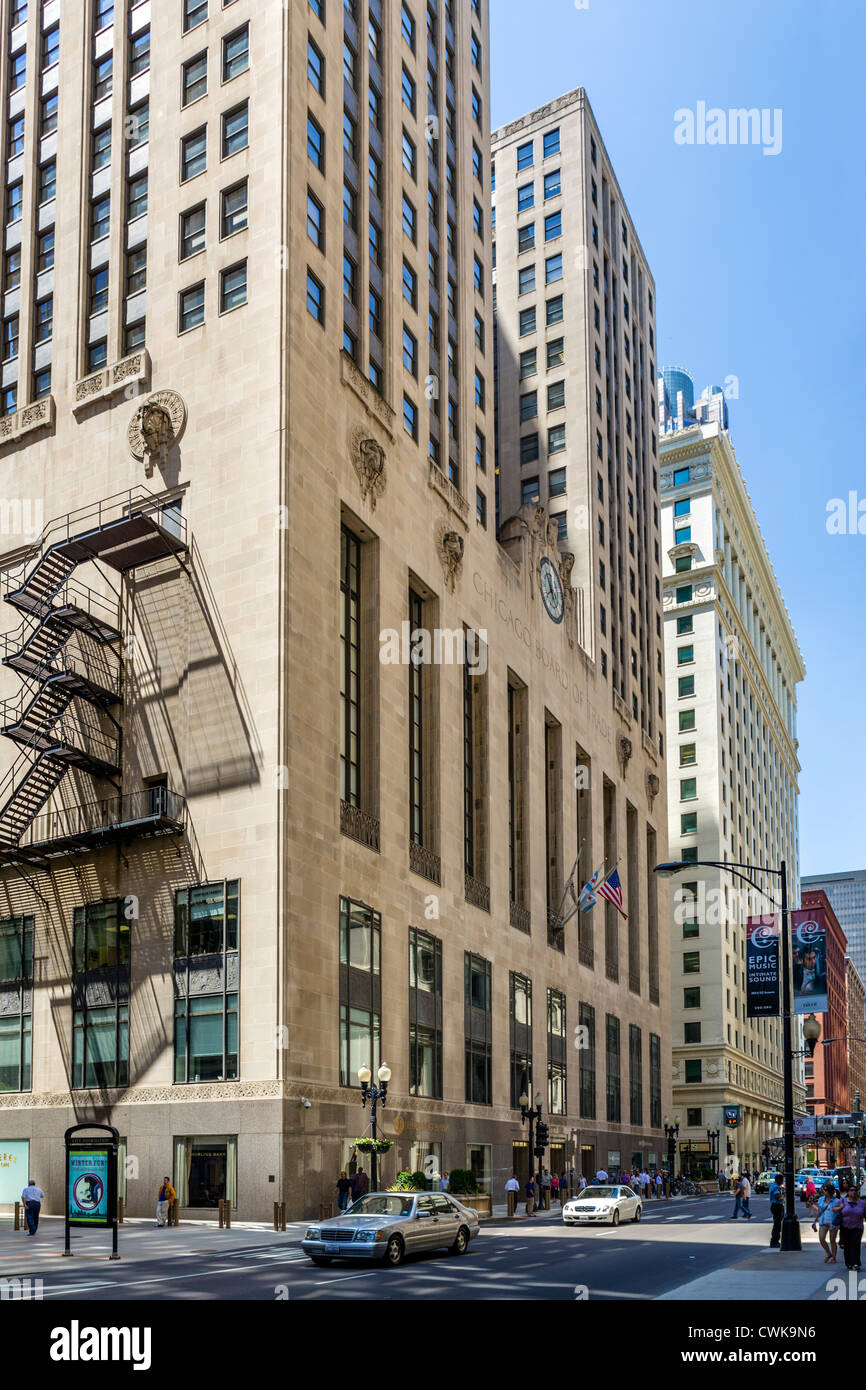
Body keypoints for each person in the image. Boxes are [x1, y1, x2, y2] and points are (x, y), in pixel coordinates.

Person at [838, 1189, 866, 1271]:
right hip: (845, 1227)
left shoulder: (862, 1203)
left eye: (855, 1190)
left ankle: (856, 1263)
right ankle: (849, 1263)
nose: (853, 1192)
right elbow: (834, 1209)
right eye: (851, 1190)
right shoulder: (842, 1201)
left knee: (855, 1245)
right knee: (847, 1246)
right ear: (848, 1192)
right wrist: (840, 1207)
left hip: (858, 1227)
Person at [817, 1182, 839, 1264]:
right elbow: (820, 1210)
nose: (823, 1191)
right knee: (821, 1239)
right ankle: (828, 1253)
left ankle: (834, 1257)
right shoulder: (821, 1199)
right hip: (823, 1221)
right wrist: (815, 1220)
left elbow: (839, 1212)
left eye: (825, 1190)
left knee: (832, 1240)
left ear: (829, 1191)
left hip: (833, 1222)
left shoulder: (837, 1201)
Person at [768, 1173, 785, 1248]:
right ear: (778, 1180)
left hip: (776, 1206)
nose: (782, 1181)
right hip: (777, 1206)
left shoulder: (775, 1186)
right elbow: (778, 1197)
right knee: (777, 1225)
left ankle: (775, 1241)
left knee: (777, 1224)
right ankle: (774, 1241)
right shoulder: (776, 1187)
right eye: (782, 1180)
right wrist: (784, 1195)